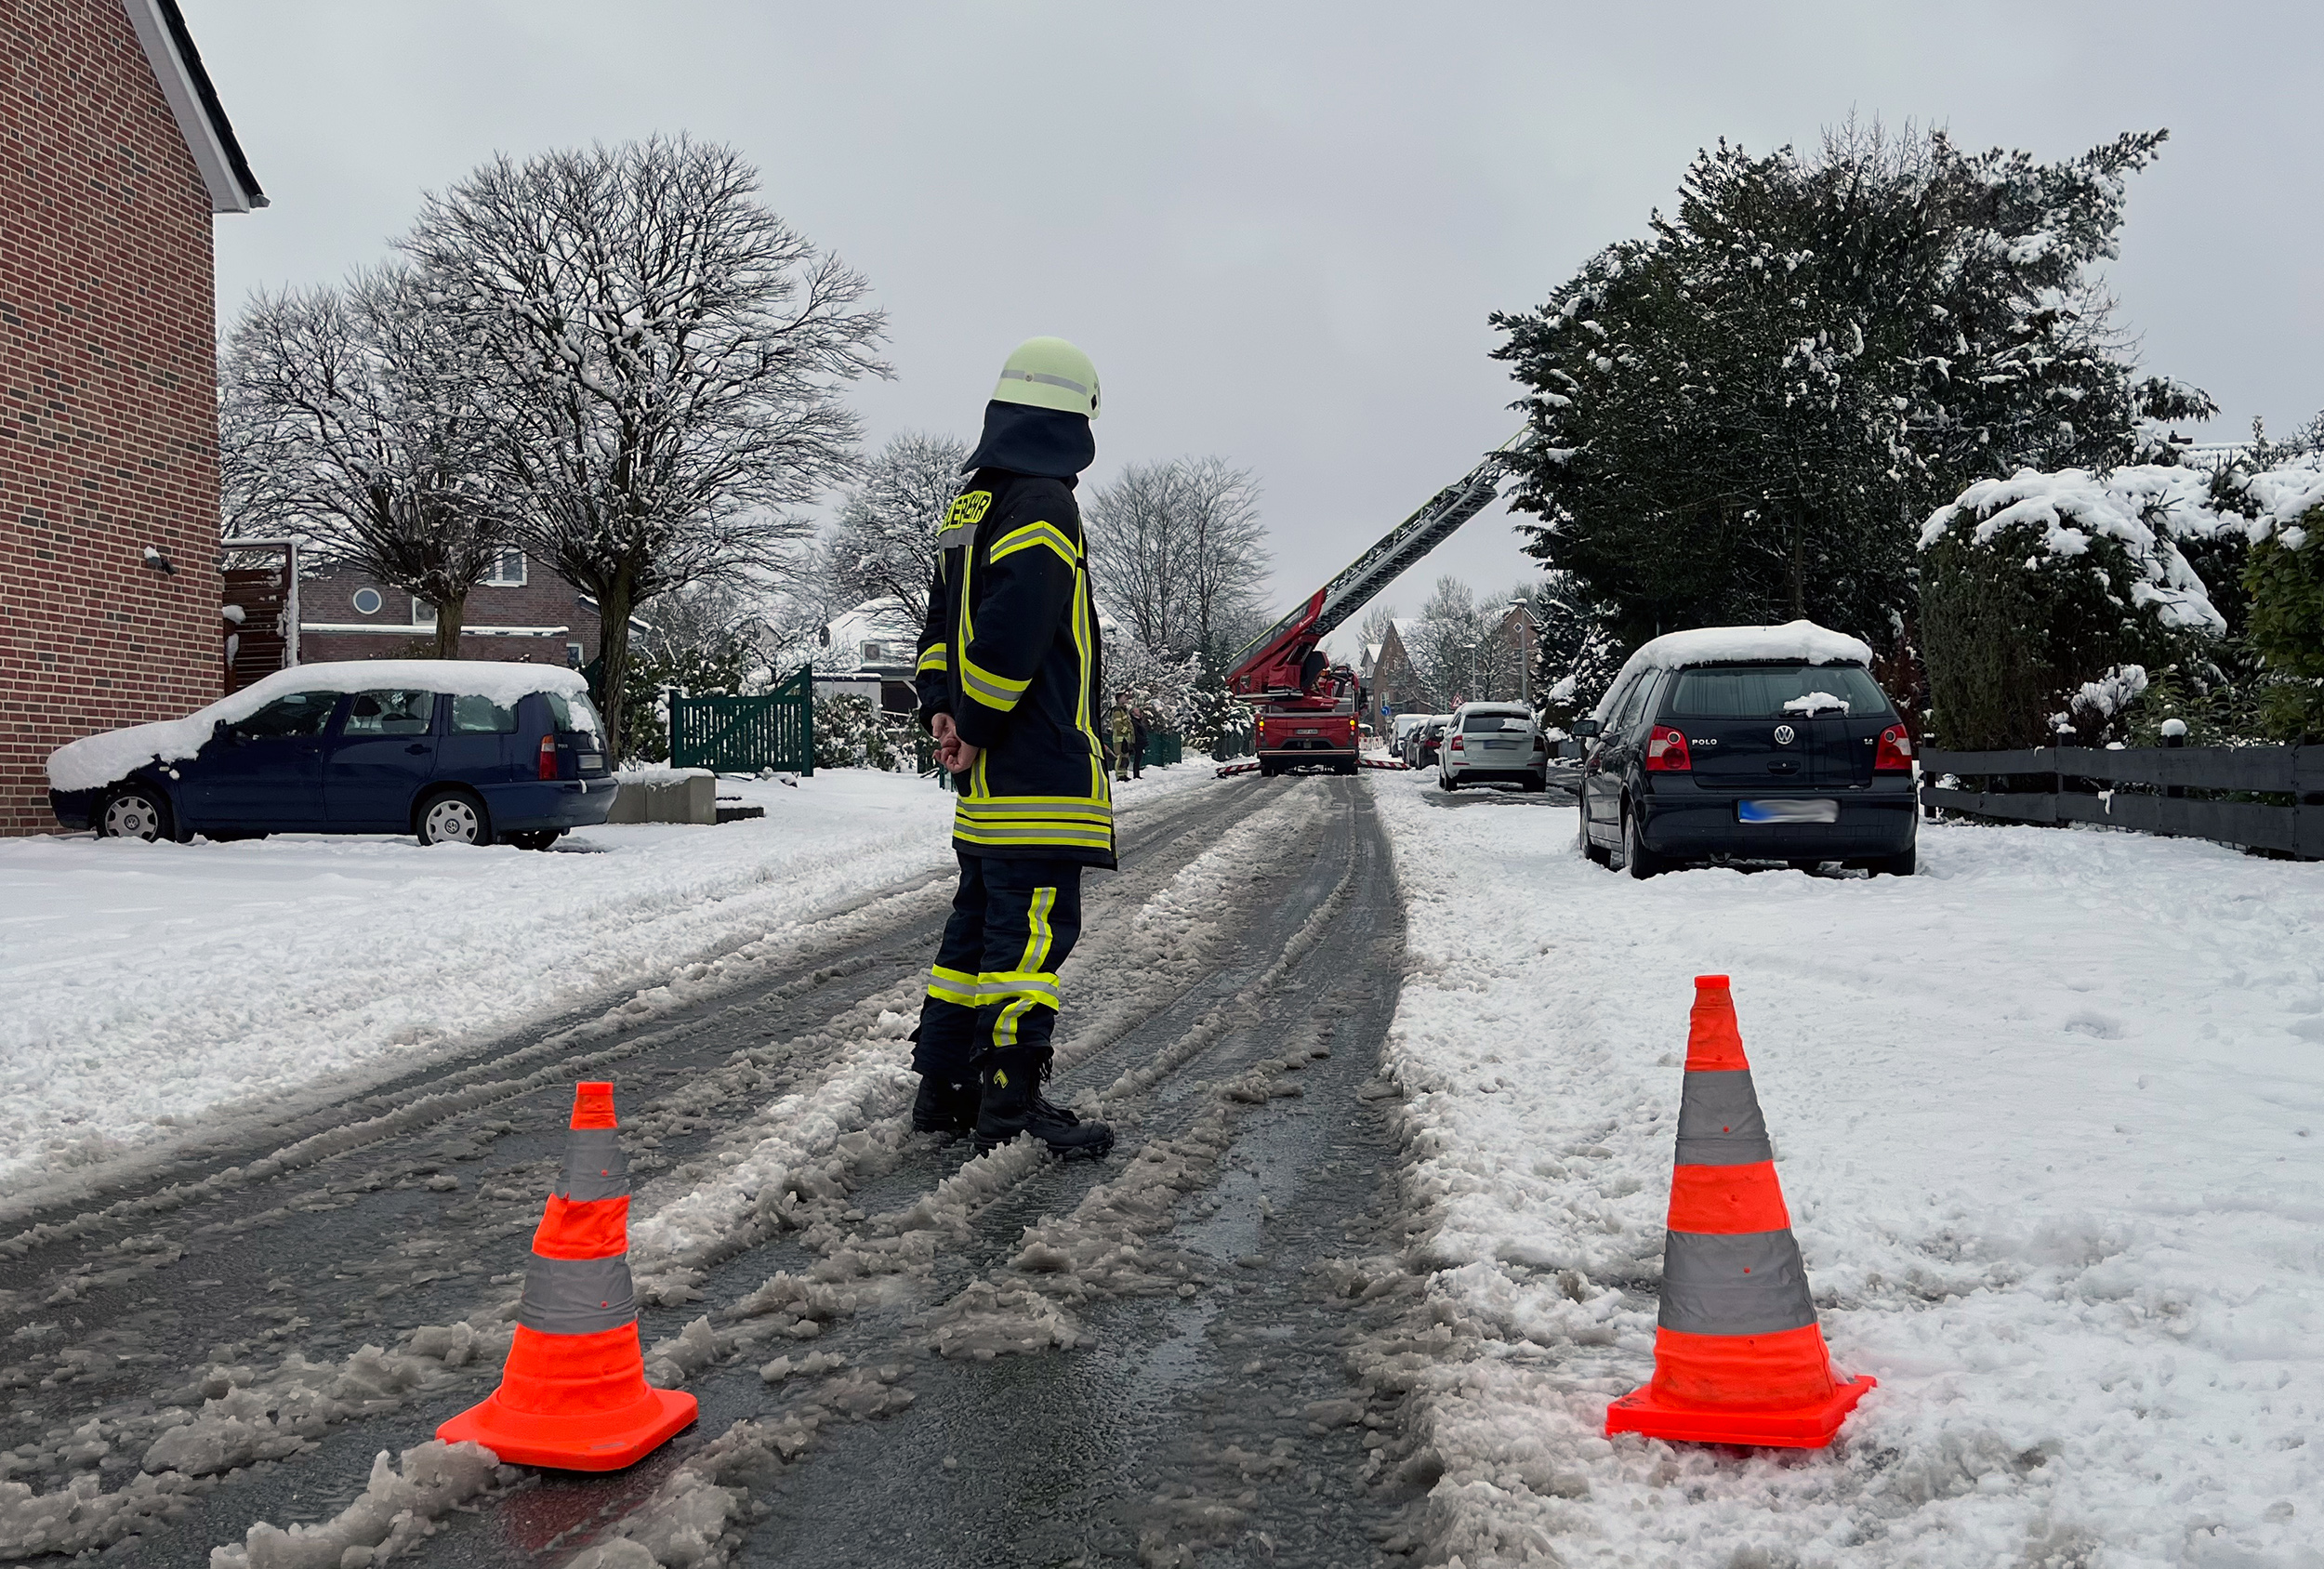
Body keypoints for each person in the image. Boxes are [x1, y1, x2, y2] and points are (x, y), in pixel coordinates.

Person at [908, 337, 1115, 1158]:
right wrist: (981, 723)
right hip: (1033, 772)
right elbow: (1014, 633)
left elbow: (939, 634)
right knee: (1029, 943)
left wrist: (944, 715)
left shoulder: (971, 506)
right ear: (1073, 421)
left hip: (986, 785)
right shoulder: (1043, 504)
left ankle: (943, 1094)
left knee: (976, 937)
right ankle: (1009, 1107)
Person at [1109, 692, 1135, 784]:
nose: (1126, 699)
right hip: (1119, 738)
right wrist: (1126, 730)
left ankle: (1124, 774)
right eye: (1124, 697)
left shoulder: (1124, 710)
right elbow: (1117, 724)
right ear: (1119, 699)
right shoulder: (1117, 710)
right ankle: (1119, 775)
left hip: (1125, 738)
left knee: (1125, 757)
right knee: (1119, 757)